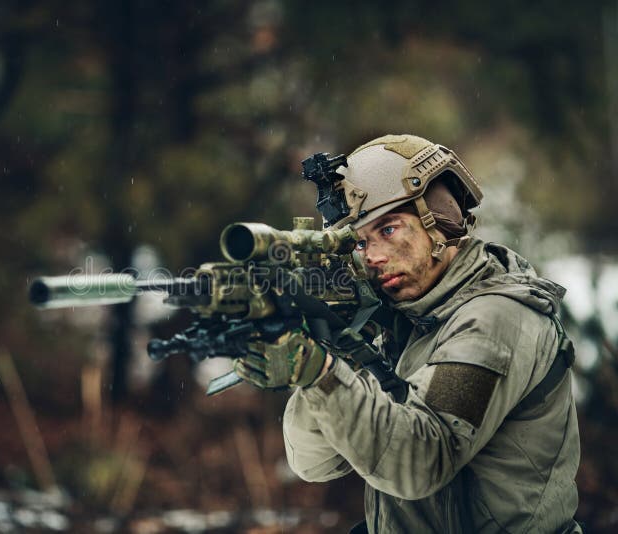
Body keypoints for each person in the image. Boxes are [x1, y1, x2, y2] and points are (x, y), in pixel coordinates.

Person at [234, 134, 581, 532]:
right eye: (359, 242)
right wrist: (333, 351)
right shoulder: (407, 319)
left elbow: (421, 460)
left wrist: (322, 374)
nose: (373, 257)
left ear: (441, 221)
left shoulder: (494, 320)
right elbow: (314, 463)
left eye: (388, 230)